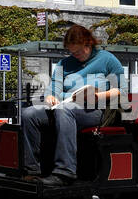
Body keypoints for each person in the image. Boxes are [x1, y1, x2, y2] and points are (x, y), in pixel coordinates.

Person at [20, 24, 125, 186]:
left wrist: (97, 96)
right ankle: (32, 169)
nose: (74, 55)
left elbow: (121, 91)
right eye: (71, 52)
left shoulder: (107, 59)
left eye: (78, 51)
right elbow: (54, 86)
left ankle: (65, 172)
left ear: (88, 44)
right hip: (65, 106)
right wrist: (50, 96)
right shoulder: (64, 64)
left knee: (64, 111)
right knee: (29, 114)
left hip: (94, 109)